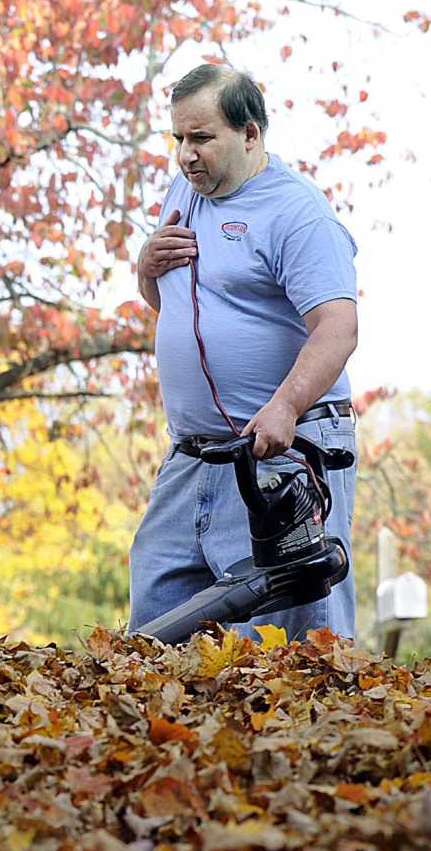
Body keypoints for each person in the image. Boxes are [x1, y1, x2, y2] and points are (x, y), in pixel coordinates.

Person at [128, 63, 361, 642]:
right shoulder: (185, 191)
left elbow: (338, 328)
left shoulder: (299, 214)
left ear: (250, 133)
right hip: (193, 457)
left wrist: (285, 406)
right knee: (152, 635)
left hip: (281, 452)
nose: (186, 155)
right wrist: (146, 269)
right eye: (179, 138)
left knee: (289, 654)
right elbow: (177, 308)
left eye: (201, 138)